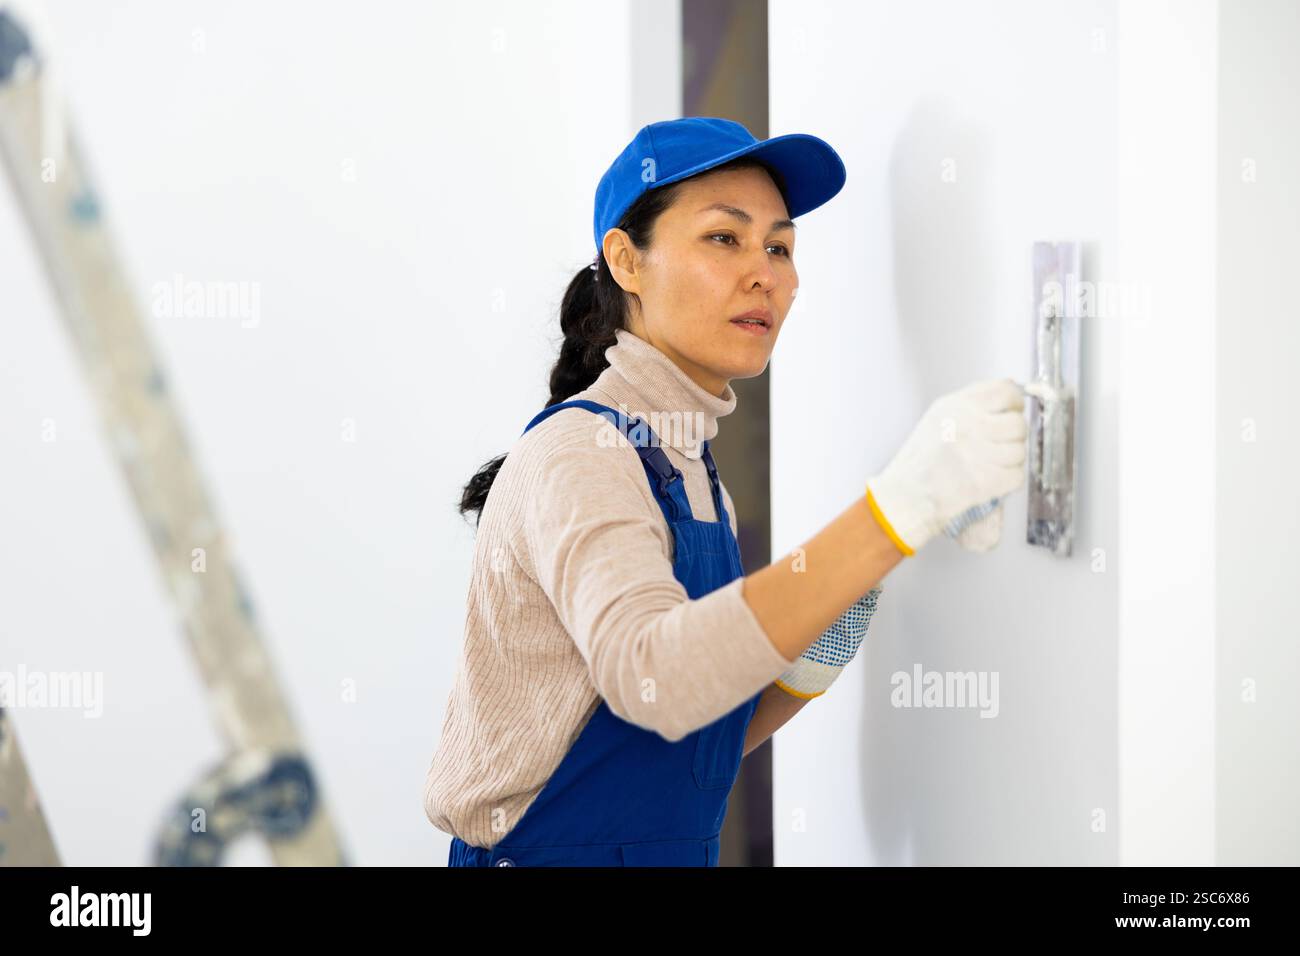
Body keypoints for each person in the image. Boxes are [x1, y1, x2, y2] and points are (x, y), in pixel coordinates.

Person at [424, 117, 1026, 866]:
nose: (764, 272)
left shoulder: (691, 469)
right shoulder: (582, 453)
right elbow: (657, 678)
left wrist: (813, 653)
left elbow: (687, 736)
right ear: (626, 261)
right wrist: (897, 510)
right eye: (724, 238)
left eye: (779, 246)